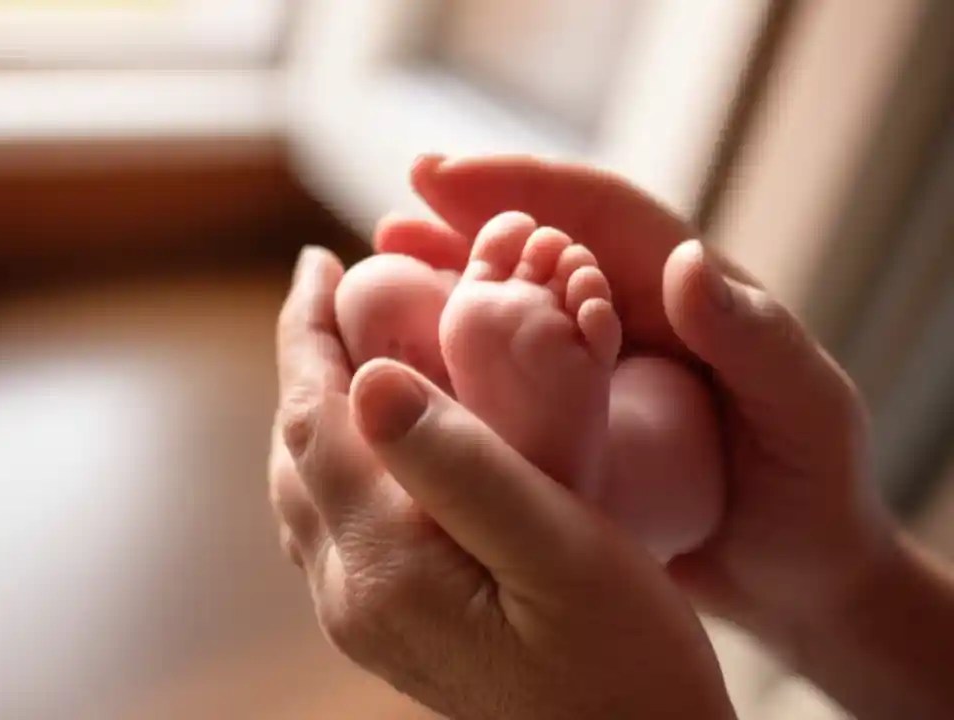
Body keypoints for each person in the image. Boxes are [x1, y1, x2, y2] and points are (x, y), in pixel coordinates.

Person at [268, 155, 954, 719]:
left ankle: (541, 457)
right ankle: (542, 453)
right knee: (642, 428)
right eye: (433, 356)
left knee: (617, 448)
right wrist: (848, 587)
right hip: (652, 467)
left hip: (629, 467)